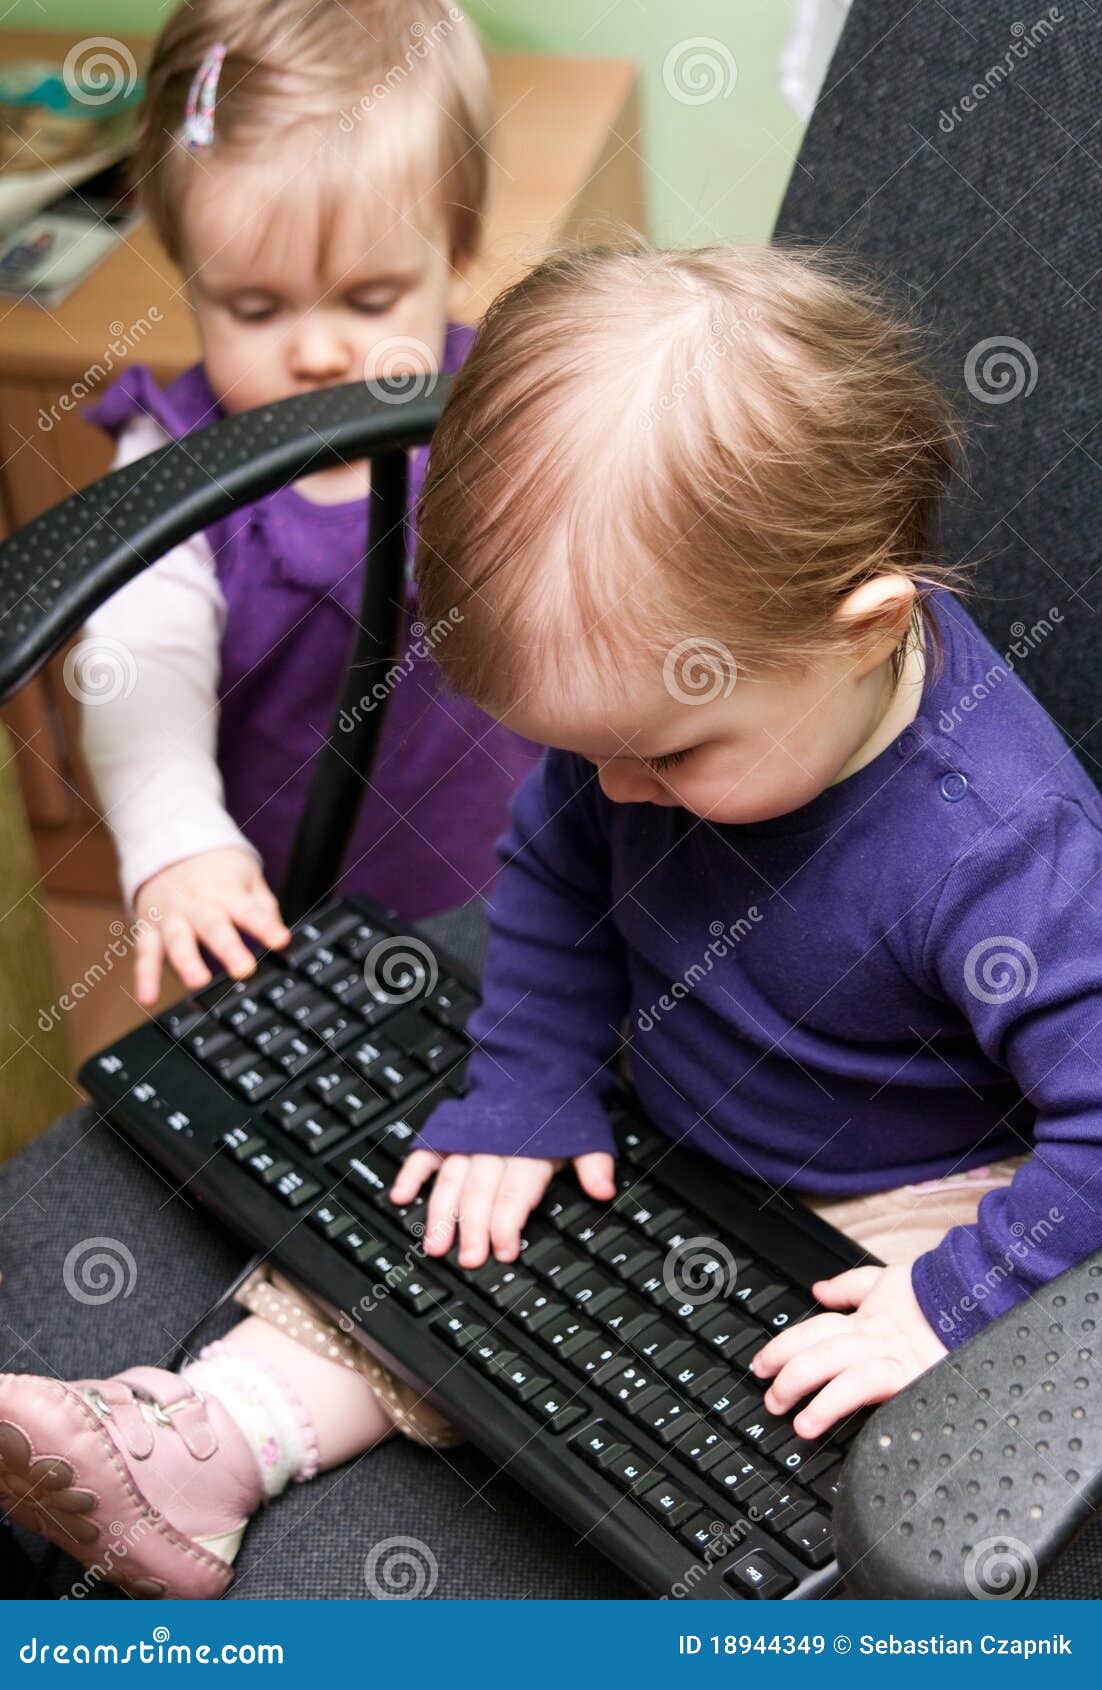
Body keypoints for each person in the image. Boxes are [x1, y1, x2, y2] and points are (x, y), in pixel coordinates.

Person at [4, 237, 1093, 1599]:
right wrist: (527, 1081)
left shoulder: (1003, 849)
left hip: (908, 1189)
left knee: (803, 1411)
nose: (613, 791)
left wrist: (959, 1297)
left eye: (668, 757)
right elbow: (554, 874)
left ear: (866, 630)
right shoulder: (653, 726)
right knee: (439, 1238)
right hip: (660, 1089)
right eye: (586, 753)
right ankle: (191, 1444)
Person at [76, 0, 540, 1015]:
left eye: (371, 301)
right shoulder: (175, 462)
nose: (320, 352)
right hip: (277, 900)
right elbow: (134, 662)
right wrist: (174, 838)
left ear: (453, 254)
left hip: (520, 877)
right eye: (255, 309)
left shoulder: (505, 408)